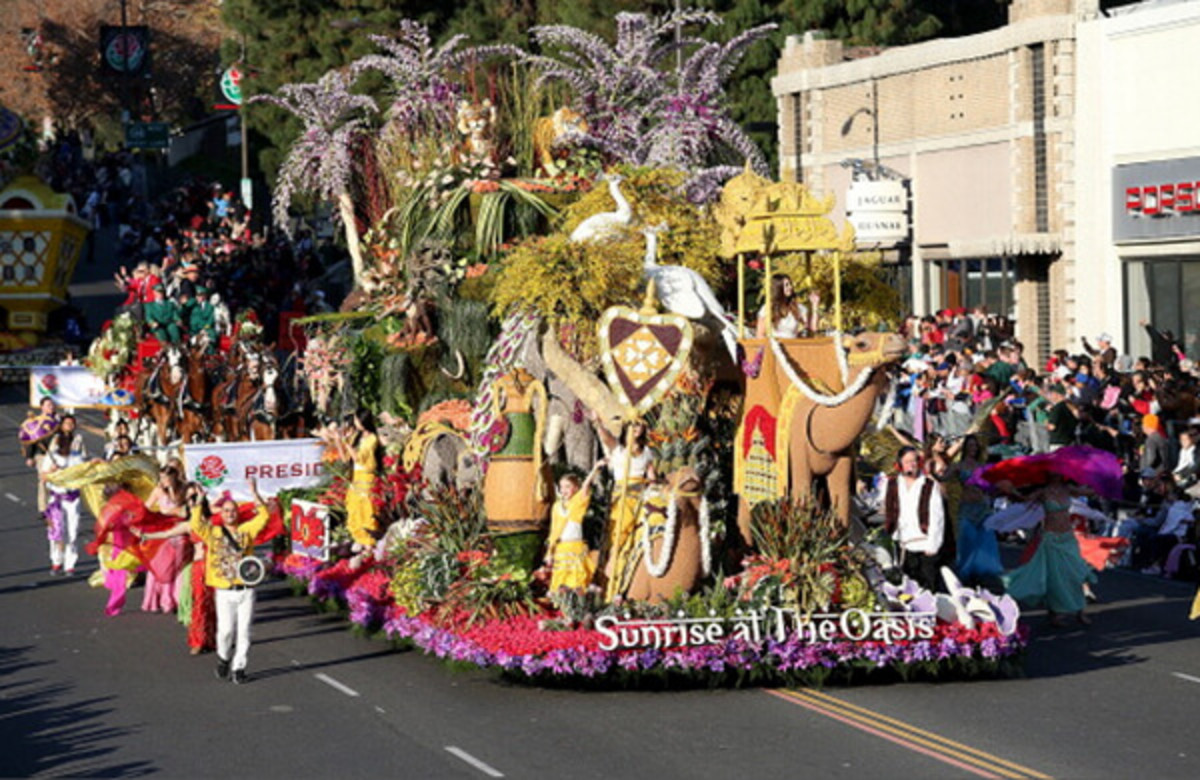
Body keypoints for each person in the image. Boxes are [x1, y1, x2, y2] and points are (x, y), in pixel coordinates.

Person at [188, 479, 269, 684]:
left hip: (246, 589)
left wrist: (254, 492)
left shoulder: (246, 531)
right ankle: (224, 658)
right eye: (226, 511)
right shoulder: (213, 532)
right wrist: (199, 500)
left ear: (238, 513)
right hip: (224, 591)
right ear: (221, 514)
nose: (230, 513)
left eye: (233, 510)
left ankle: (239, 667)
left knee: (244, 632)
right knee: (225, 631)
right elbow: (196, 524)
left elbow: (264, 516)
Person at [1004, 473, 1096, 627]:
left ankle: (1080, 611)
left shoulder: (1068, 489)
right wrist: (1011, 490)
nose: (1056, 474)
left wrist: (1099, 481)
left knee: (1076, 574)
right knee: (1053, 578)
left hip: (1068, 538)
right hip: (1050, 538)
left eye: (1058, 471)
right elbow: (1024, 499)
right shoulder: (1043, 492)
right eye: (1053, 471)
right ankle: (1054, 613)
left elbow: (1089, 492)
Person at [591, 414, 658, 600]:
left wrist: (655, 485)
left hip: (638, 500)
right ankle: (608, 582)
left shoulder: (647, 452)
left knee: (635, 537)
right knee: (616, 539)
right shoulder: (618, 449)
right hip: (621, 500)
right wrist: (598, 422)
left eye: (639, 425)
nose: (636, 428)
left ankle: (628, 578)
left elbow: (651, 476)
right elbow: (605, 437)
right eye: (632, 425)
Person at [883, 446, 946, 592]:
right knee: (906, 588)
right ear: (900, 464)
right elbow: (886, 506)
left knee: (927, 587)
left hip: (924, 544)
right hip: (903, 544)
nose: (911, 464)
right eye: (907, 461)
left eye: (914, 461)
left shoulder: (929, 485)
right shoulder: (893, 484)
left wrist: (933, 544)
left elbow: (937, 517)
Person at [544, 463, 603, 593]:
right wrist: (549, 552)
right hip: (561, 548)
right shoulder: (557, 506)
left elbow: (586, 486)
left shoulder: (577, 503)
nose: (564, 490)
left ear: (575, 488)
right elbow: (554, 530)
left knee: (578, 581)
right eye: (561, 487)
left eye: (568, 486)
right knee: (561, 583)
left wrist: (595, 469)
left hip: (576, 547)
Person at [138, 464, 190, 613]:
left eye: (167, 478)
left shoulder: (183, 489)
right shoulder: (158, 491)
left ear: (174, 477)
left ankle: (177, 599)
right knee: (163, 565)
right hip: (163, 531)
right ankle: (164, 600)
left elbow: (188, 509)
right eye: (161, 477)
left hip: (180, 530)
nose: (164, 481)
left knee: (179, 565)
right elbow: (146, 508)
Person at [952, 435, 1003, 584]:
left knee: (985, 542)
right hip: (966, 509)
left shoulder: (982, 467)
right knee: (967, 540)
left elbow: (993, 487)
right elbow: (943, 477)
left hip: (982, 508)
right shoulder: (958, 466)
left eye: (975, 446)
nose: (973, 449)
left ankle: (984, 575)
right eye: (970, 445)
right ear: (965, 448)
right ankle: (966, 574)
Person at [40, 429, 86, 576]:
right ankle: (56, 560)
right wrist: (51, 471)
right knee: (56, 531)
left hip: (72, 499)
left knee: (72, 531)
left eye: (67, 442)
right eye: (62, 442)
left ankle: (70, 564)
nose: (65, 445)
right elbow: (43, 477)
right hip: (56, 498)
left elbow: (83, 476)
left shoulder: (77, 458)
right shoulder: (51, 457)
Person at [343, 413, 380, 549]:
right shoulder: (357, 437)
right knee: (355, 506)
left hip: (366, 474)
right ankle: (358, 536)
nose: (355, 422)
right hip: (356, 475)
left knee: (366, 506)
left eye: (356, 419)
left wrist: (347, 444)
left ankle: (369, 540)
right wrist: (341, 441)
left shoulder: (372, 438)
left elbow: (359, 458)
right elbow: (346, 458)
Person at [755, 274, 820, 338]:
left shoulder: (797, 307)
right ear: (778, 288)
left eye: (790, 284)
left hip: (793, 343)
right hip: (775, 343)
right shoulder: (767, 308)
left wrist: (815, 305)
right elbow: (760, 334)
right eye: (786, 285)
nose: (790, 287)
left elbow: (813, 327)